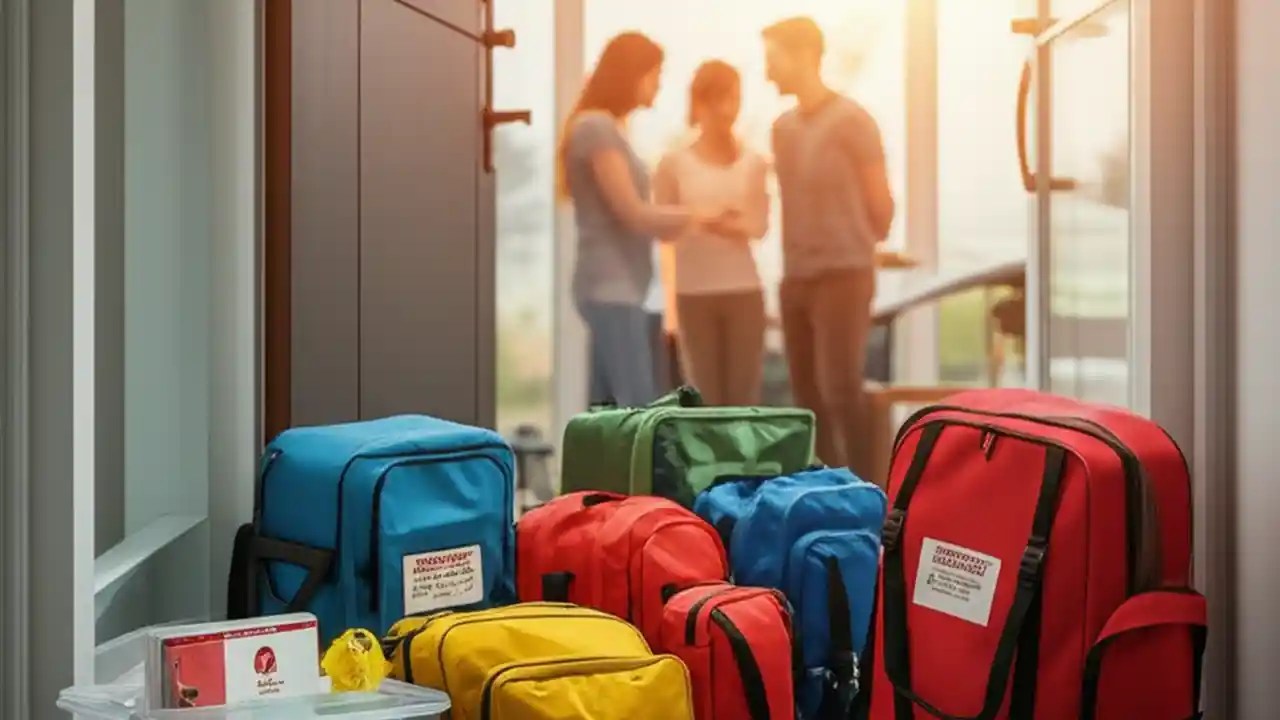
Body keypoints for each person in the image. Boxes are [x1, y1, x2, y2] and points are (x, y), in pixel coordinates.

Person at [559, 32, 730, 407]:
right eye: (655, 74)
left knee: (605, 407)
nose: (658, 84)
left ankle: (599, 468)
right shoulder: (596, 128)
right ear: (631, 74)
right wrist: (695, 217)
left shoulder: (606, 129)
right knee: (638, 406)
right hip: (610, 287)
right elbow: (632, 212)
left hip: (619, 288)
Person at [763, 17, 896, 473]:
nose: (767, 73)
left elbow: (882, 208)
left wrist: (850, 239)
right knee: (807, 398)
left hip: (844, 274)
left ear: (804, 56)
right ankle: (826, 492)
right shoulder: (781, 129)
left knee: (841, 388)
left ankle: (870, 490)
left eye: (773, 59)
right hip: (795, 278)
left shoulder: (853, 121)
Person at [653, 60, 770, 406]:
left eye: (733, 98)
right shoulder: (673, 164)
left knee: (743, 399)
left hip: (744, 291)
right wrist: (704, 219)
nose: (726, 109)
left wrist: (721, 224)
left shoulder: (754, 162)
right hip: (694, 293)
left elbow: (759, 226)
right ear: (698, 105)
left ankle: (743, 462)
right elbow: (663, 227)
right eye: (717, 100)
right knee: (704, 400)